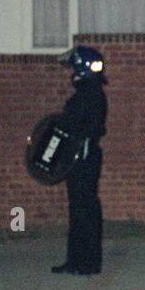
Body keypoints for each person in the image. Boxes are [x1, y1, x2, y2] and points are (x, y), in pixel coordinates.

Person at [51, 46, 107, 276]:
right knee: (80, 209)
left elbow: (80, 127)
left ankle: (86, 262)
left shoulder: (88, 94)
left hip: (82, 158)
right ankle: (77, 260)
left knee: (84, 209)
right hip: (81, 157)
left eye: (73, 68)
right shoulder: (90, 92)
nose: (71, 73)